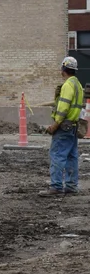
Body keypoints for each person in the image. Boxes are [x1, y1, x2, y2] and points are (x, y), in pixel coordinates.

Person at [43, 56, 84, 197]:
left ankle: (56, 186)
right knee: (72, 156)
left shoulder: (68, 85)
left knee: (57, 155)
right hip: (73, 126)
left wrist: (55, 124)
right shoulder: (78, 84)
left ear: (63, 69)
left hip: (64, 126)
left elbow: (63, 108)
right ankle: (71, 186)